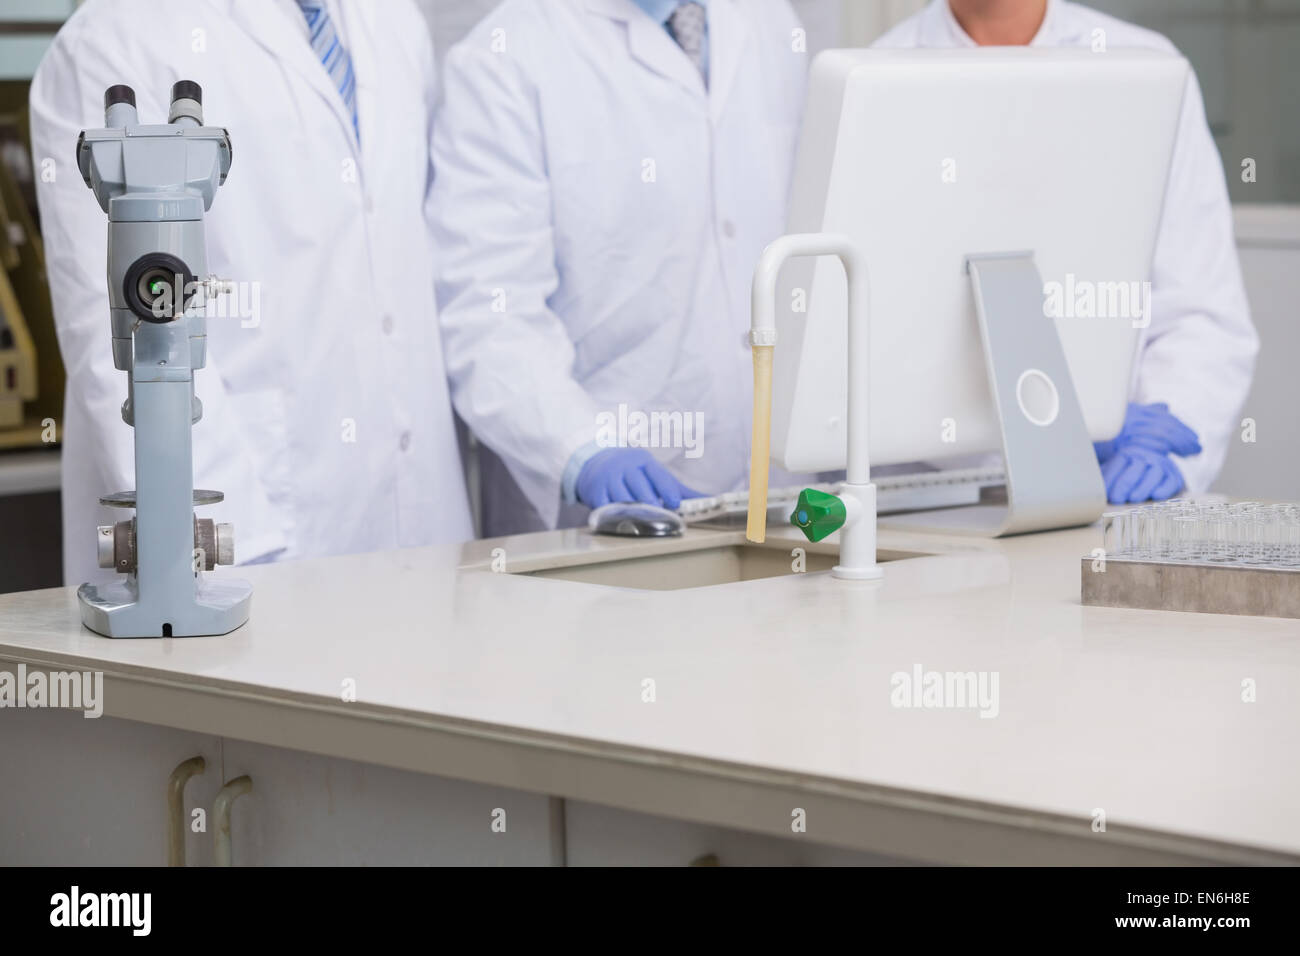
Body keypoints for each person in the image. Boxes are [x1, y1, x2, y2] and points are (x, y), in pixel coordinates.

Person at [31, 0, 472, 585]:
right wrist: (232, 561)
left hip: (427, 537)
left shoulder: (392, 19)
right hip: (252, 545)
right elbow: (120, 328)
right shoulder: (108, 40)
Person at [431, 0, 809, 534]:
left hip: (776, 496)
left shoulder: (768, 21)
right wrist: (583, 449)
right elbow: (488, 312)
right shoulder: (504, 57)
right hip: (602, 522)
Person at [875, 0, 1259, 503]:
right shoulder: (874, 76)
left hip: (1121, 492)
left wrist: (1158, 449)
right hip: (935, 503)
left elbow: (1201, 312)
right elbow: (876, 343)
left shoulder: (1144, 66)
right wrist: (1052, 434)